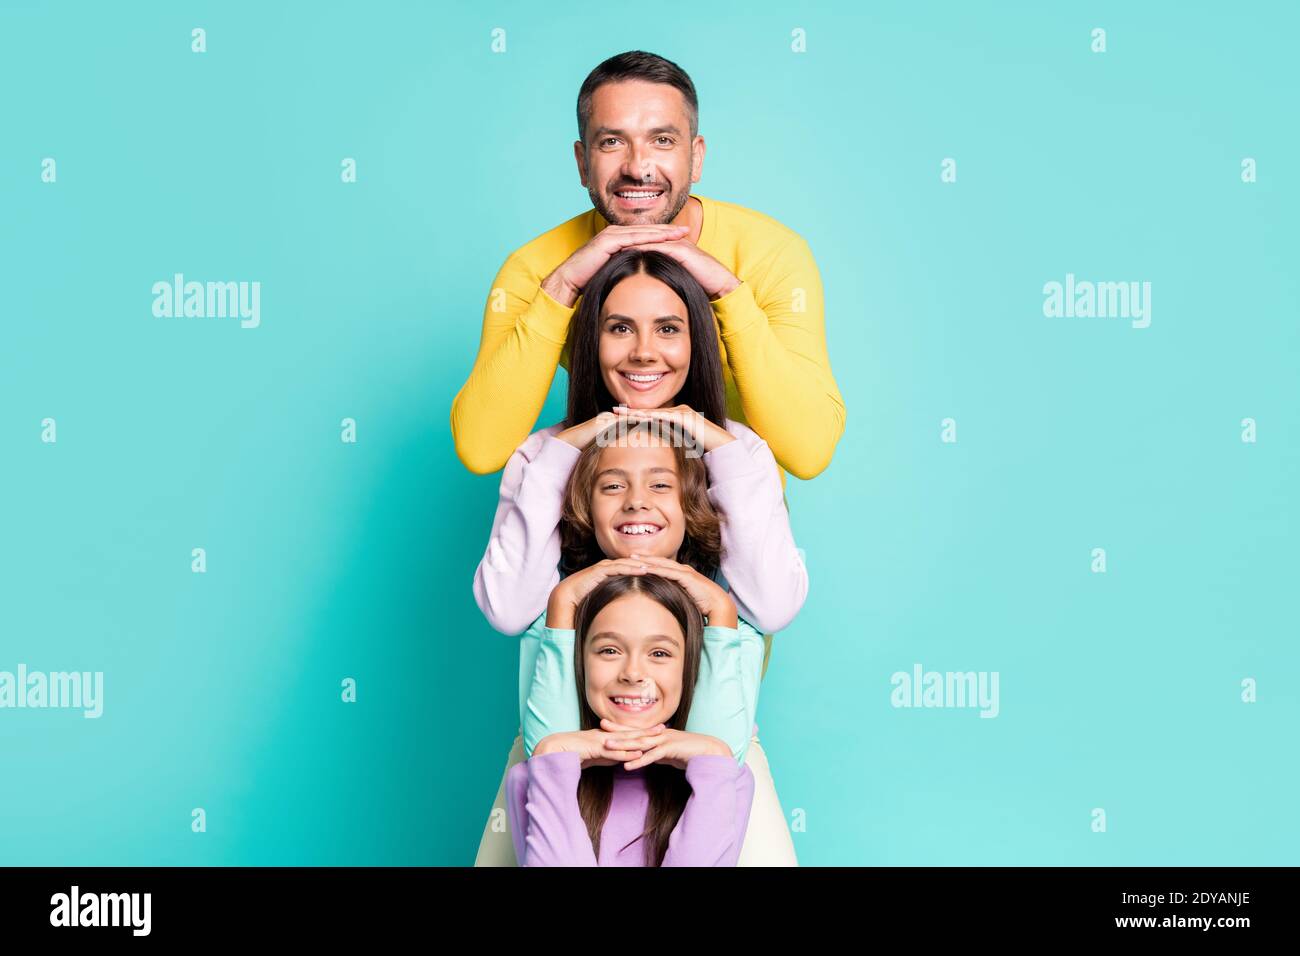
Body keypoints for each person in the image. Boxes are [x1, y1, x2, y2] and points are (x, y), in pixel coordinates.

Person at [451, 50, 845, 483]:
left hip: (736, 535)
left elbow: (809, 452)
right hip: (597, 536)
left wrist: (729, 295)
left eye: (662, 140)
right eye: (612, 141)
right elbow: (481, 448)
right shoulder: (536, 268)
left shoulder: (772, 253)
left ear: (695, 157)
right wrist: (561, 288)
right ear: (583, 162)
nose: (638, 167)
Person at [477, 421, 796, 865]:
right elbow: (549, 746)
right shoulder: (554, 612)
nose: (637, 500)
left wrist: (720, 614)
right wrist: (563, 603)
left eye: (660, 484)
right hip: (571, 782)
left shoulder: (727, 615)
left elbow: (719, 751)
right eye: (612, 485)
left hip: (699, 780)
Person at [507, 573, 755, 866]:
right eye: (609, 650)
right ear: (581, 663)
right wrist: (552, 757)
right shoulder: (539, 775)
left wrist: (713, 758)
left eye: (660, 653)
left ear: (688, 669)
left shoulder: (723, 776)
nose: (633, 673)